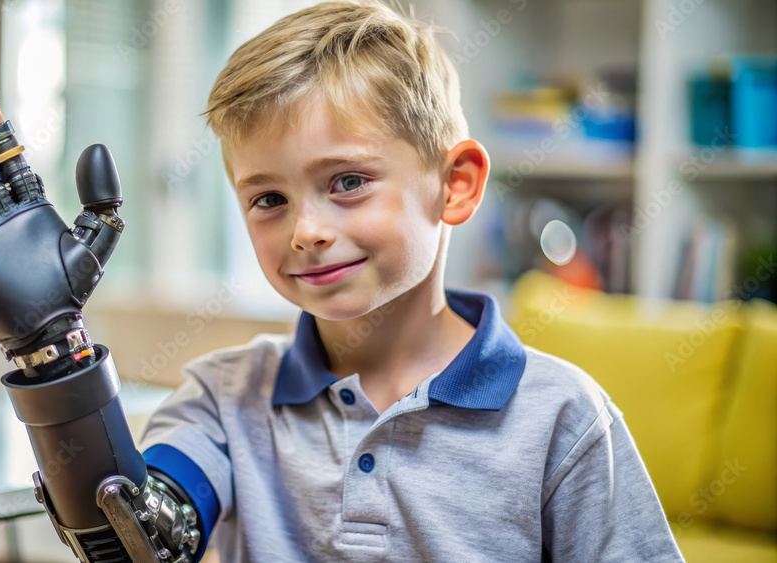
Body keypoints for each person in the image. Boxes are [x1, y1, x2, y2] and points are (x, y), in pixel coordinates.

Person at [135, 1, 685, 561]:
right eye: (269, 199)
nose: (306, 231)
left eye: (347, 181)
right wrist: (52, 354)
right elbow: (137, 527)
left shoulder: (564, 418)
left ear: (455, 185)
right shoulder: (223, 397)